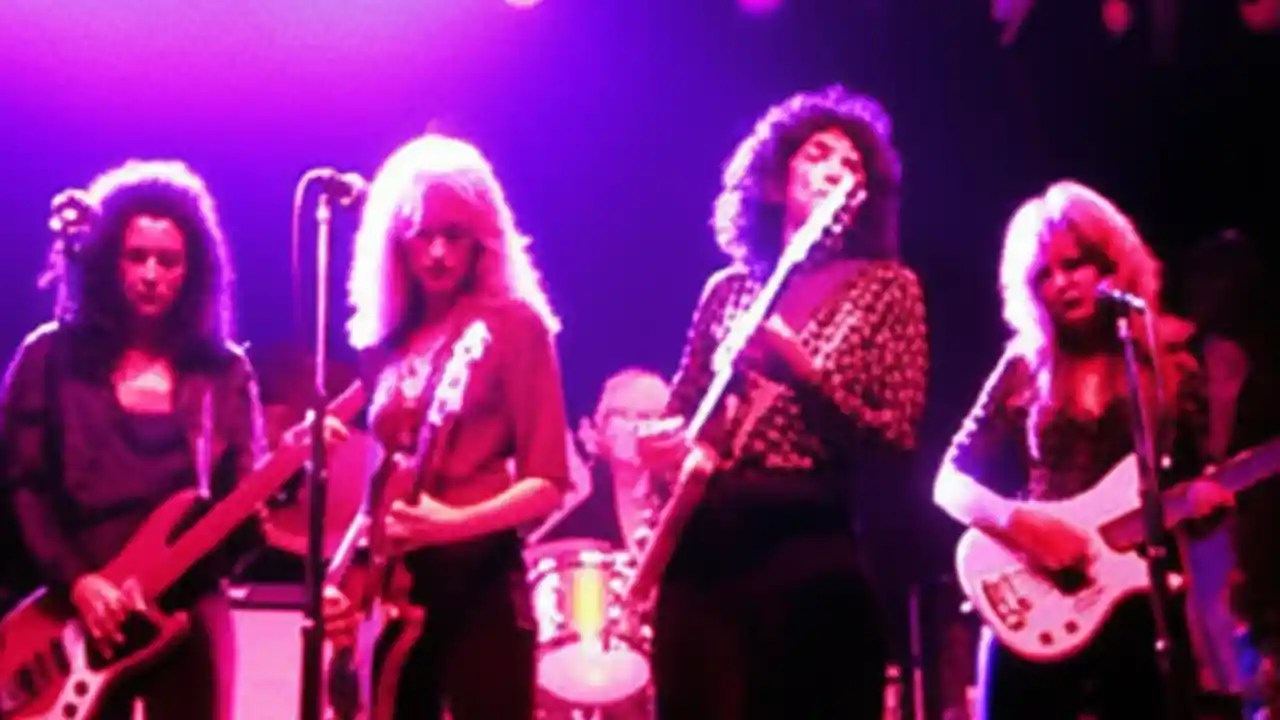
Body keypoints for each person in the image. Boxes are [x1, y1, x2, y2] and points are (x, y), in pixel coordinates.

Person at [637, 84, 929, 719]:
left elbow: (895, 440)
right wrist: (660, 441)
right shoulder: (728, 290)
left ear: (864, 197)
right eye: (818, 154)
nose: (834, 170)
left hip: (809, 557)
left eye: (852, 165)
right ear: (775, 180)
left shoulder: (887, 289)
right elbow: (686, 407)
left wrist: (803, 373)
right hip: (705, 557)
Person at [932, 179, 1240, 719]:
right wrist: (1022, 525)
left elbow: (1186, 490)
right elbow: (948, 483)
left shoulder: (1171, 369)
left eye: (1074, 265)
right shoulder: (1025, 366)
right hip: (1034, 595)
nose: (1061, 285)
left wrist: (1203, 512)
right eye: (1043, 275)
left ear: (1111, 266)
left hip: (1134, 603)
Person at [1, 159, 265, 720]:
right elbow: (22, 488)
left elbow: (244, 508)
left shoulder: (223, 373)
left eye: (168, 261)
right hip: (74, 618)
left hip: (186, 616)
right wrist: (78, 582)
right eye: (135, 256)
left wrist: (277, 499)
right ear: (106, 261)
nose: (150, 274)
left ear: (192, 271)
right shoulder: (50, 357)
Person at [322, 132, 570, 720]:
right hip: (395, 595)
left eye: (454, 236)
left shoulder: (514, 326)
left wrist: (454, 523)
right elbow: (376, 495)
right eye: (421, 237)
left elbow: (548, 483)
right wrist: (338, 580)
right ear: (396, 245)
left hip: (481, 588)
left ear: (482, 239)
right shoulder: (387, 344)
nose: (436, 254)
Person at [1183, 229, 1280, 717]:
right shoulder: (1183, 360)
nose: (1213, 292)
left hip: (1264, 537)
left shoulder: (1267, 363)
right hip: (1201, 537)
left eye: (1225, 280)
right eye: (1206, 281)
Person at [537, 367, 673, 554]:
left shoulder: (681, 489)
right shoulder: (577, 495)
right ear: (600, 424)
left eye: (645, 417)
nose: (629, 426)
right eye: (618, 414)